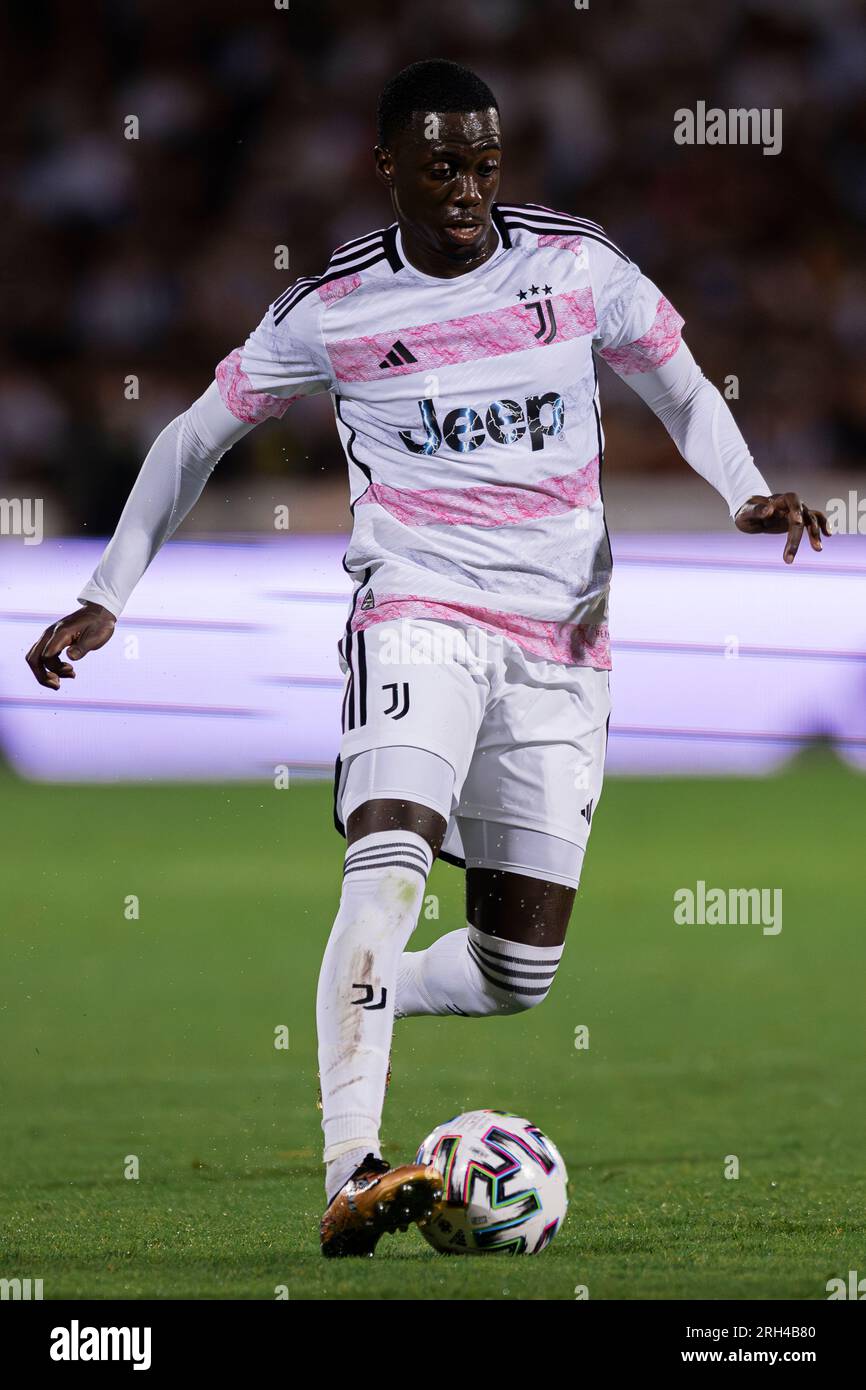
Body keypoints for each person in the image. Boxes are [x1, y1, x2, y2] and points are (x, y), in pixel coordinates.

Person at [25, 59, 829, 1257]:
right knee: (388, 850)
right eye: (443, 164)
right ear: (386, 165)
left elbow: (673, 378)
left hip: (562, 639)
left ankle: (355, 989)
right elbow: (193, 436)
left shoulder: (573, 265)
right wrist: (105, 592)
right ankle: (351, 1162)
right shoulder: (332, 306)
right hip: (415, 609)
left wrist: (748, 491)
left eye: (486, 163)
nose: (469, 187)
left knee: (517, 972)